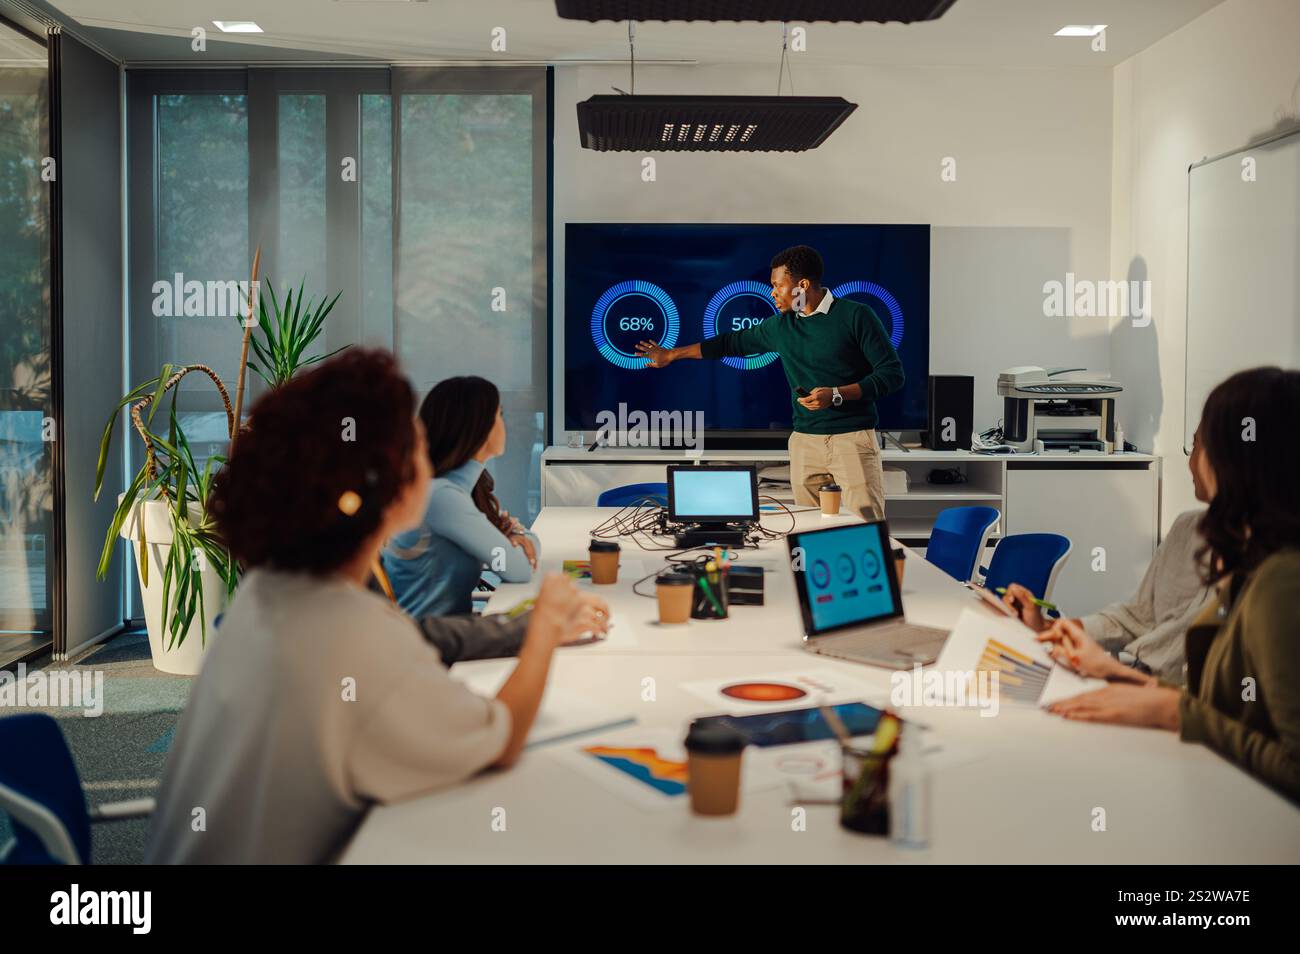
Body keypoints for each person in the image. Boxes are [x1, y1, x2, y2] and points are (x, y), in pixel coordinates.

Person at [146, 349, 607, 864]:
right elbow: (500, 740)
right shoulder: (353, 636)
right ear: (385, 485)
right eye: (410, 444)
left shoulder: (266, 593)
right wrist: (542, 629)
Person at [1040, 367, 1300, 803]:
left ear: (1237, 459)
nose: (1192, 456)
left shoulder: (1281, 581)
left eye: (1201, 442)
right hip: (1215, 789)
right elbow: (1210, 710)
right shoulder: (1249, 556)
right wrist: (1117, 673)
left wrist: (1170, 710)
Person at [635, 245, 904, 519]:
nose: (773, 293)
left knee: (868, 526)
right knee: (806, 529)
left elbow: (892, 374)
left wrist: (836, 394)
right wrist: (672, 354)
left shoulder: (855, 316)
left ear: (802, 285)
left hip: (852, 439)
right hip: (804, 441)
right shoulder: (781, 326)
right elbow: (730, 343)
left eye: (778, 285)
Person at [1001, 430, 1216, 684]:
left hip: (1169, 704)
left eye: (1196, 445)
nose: (1191, 460)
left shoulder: (1264, 567)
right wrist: (1049, 628)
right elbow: (1135, 618)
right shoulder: (1187, 529)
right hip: (1135, 681)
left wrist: (1113, 672)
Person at [383, 376, 539, 618]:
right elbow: (519, 569)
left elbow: (514, 557)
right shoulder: (442, 498)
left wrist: (517, 535)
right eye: (500, 415)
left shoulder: (457, 492)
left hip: (449, 633)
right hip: (432, 643)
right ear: (479, 428)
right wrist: (520, 535)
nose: (504, 424)